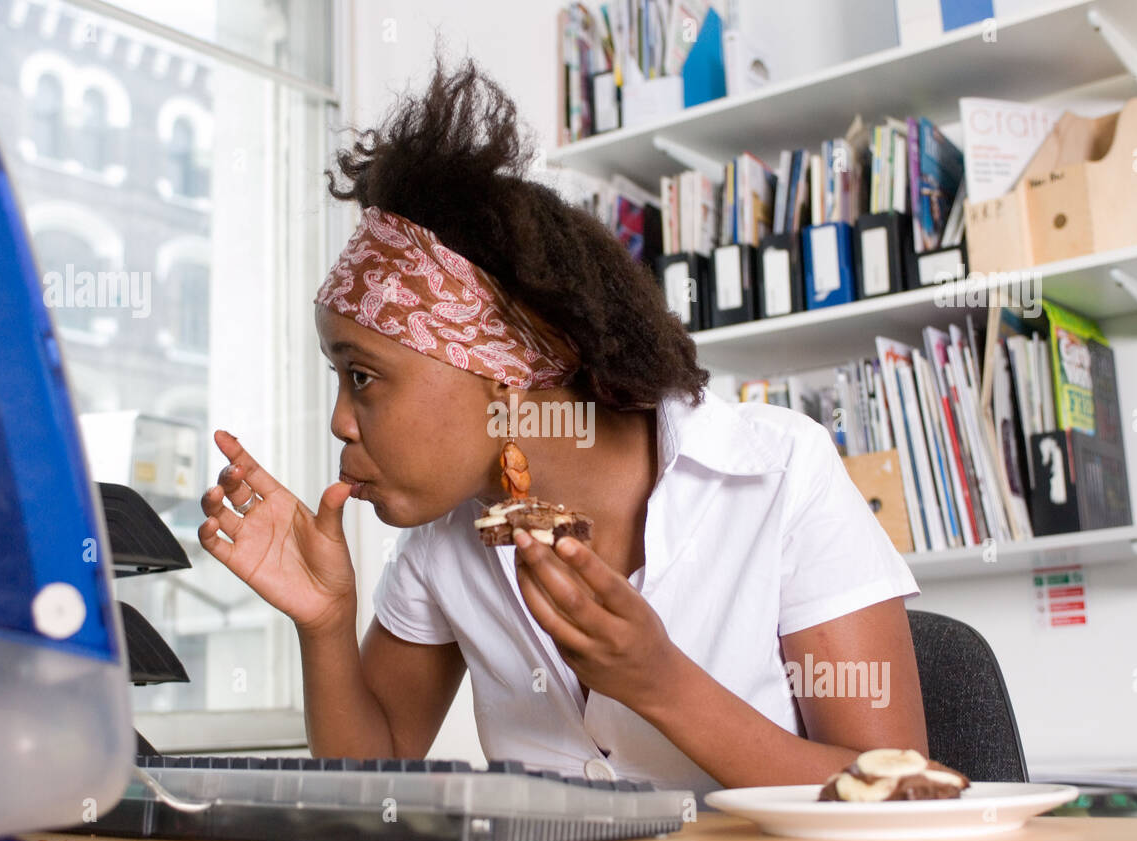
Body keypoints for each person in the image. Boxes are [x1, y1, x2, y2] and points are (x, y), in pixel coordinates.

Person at [198, 53, 926, 800]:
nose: (339, 421)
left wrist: (660, 682)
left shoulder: (779, 476)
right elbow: (372, 787)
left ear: (506, 379)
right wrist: (325, 625)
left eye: (363, 376)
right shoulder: (440, 542)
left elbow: (904, 794)